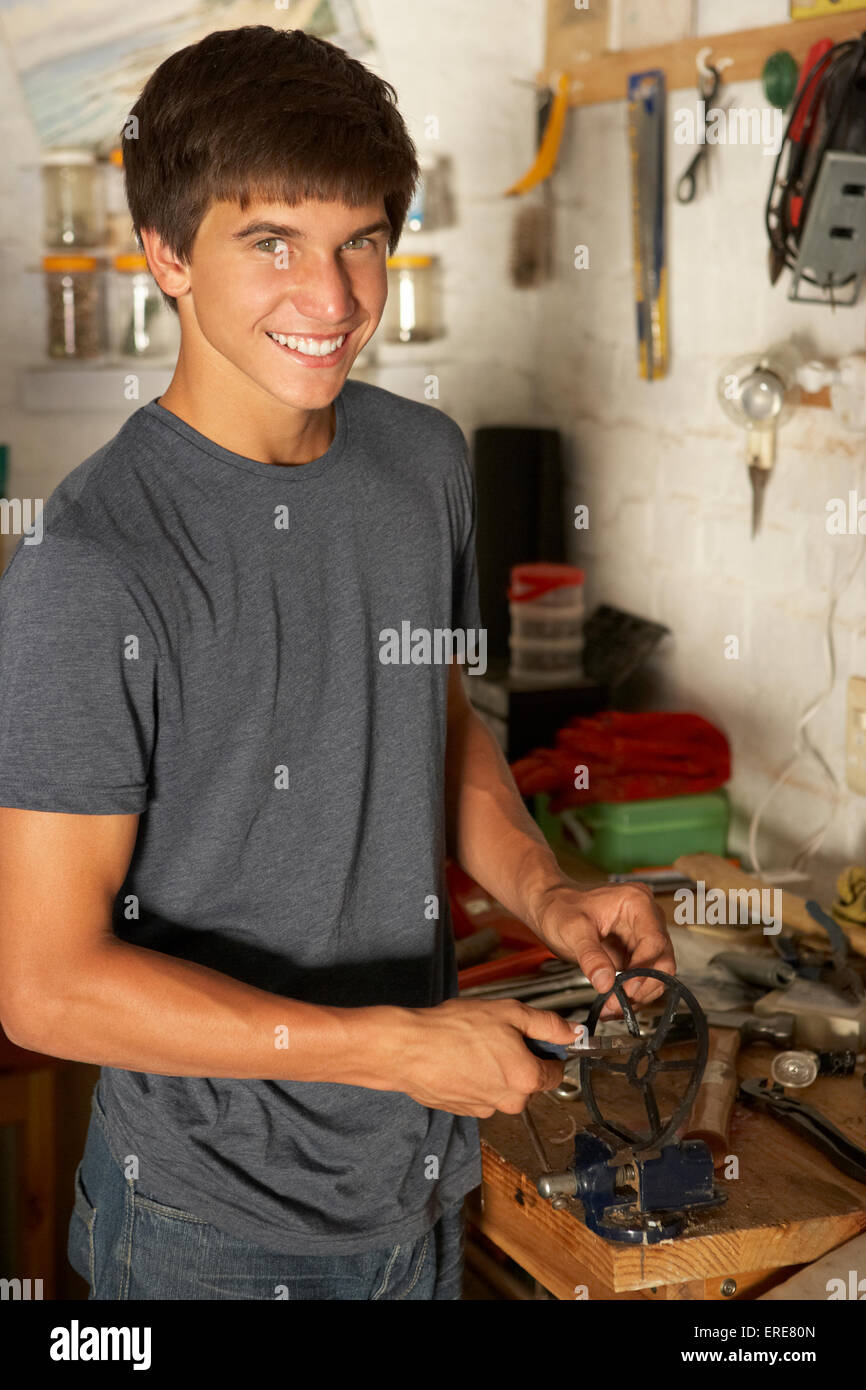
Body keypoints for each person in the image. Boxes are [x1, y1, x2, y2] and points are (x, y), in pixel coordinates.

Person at [0, 25, 674, 1301]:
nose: (333, 298)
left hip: (420, 1178)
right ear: (163, 256)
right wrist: (396, 1050)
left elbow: (433, 726)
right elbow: (42, 986)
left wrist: (546, 895)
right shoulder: (90, 564)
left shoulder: (421, 463)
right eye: (271, 243)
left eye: (359, 237)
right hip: (208, 1223)